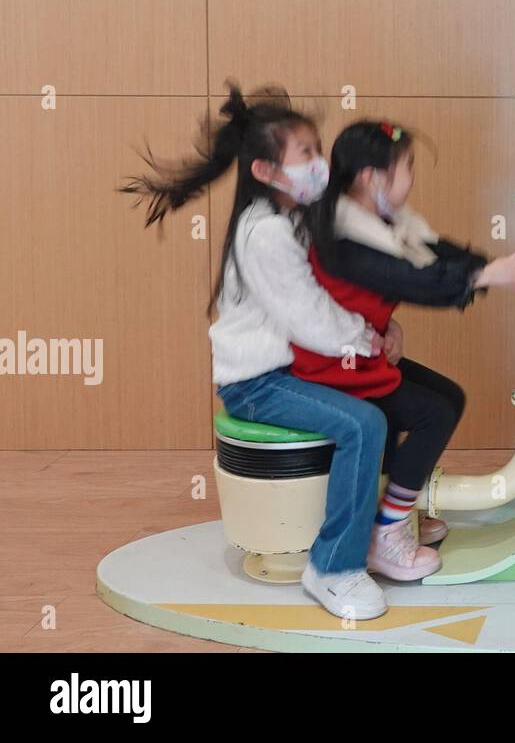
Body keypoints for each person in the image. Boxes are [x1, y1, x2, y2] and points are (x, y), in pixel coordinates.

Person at [120, 86, 393, 620]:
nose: (320, 164)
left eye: (319, 149)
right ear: (267, 172)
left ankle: (388, 527)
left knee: (397, 393)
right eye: (307, 155)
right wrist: (366, 337)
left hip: (290, 370)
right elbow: (307, 315)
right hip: (258, 386)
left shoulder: (290, 217)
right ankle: (334, 568)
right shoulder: (265, 231)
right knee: (363, 425)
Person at [293, 119, 515, 579]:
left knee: (448, 398)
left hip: (362, 356)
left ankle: (391, 513)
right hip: (330, 366)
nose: (411, 178)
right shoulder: (345, 237)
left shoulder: (387, 223)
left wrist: (490, 267)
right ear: (372, 177)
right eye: (406, 168)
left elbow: (437, 251)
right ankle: (386, 530)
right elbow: (410, 280)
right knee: (432, 413)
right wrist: (481, 277)